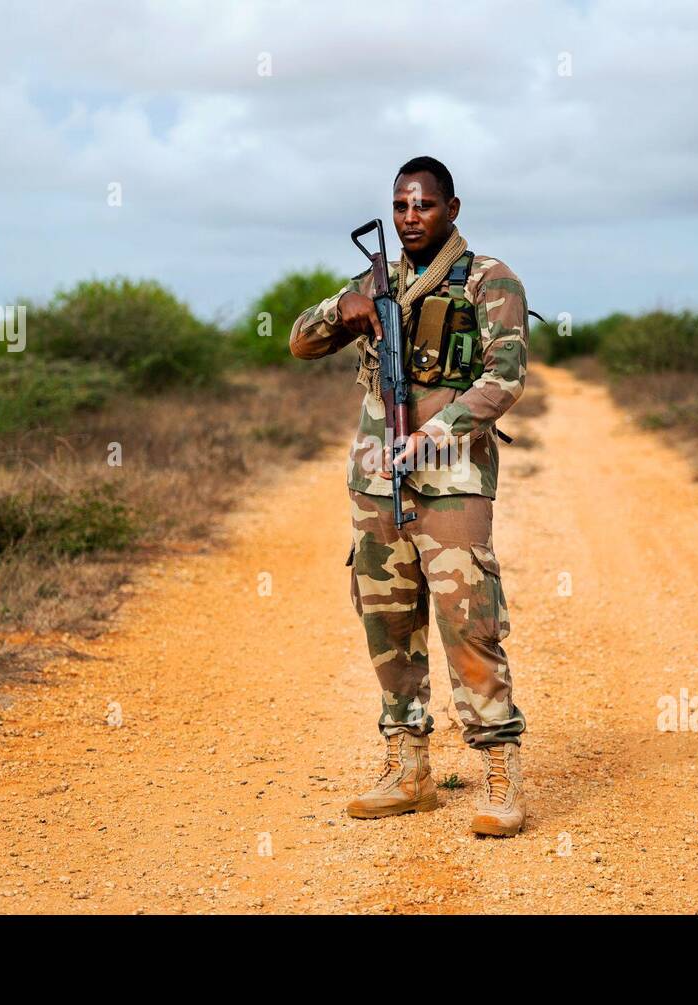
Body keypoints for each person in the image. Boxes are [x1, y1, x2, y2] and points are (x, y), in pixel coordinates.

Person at [289, 156, 529, 837]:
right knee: (388, 622)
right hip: (374, 477)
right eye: (400, 206)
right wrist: (343, 308)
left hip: (451, 477)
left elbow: (504, 378)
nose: (410, 217)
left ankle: (500, 773)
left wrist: (434, 435)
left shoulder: (491, 280)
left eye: (423, 205)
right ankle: (408, 768)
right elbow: (300, 343)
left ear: (452, 209)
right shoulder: (376, 280)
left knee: (468, 618)